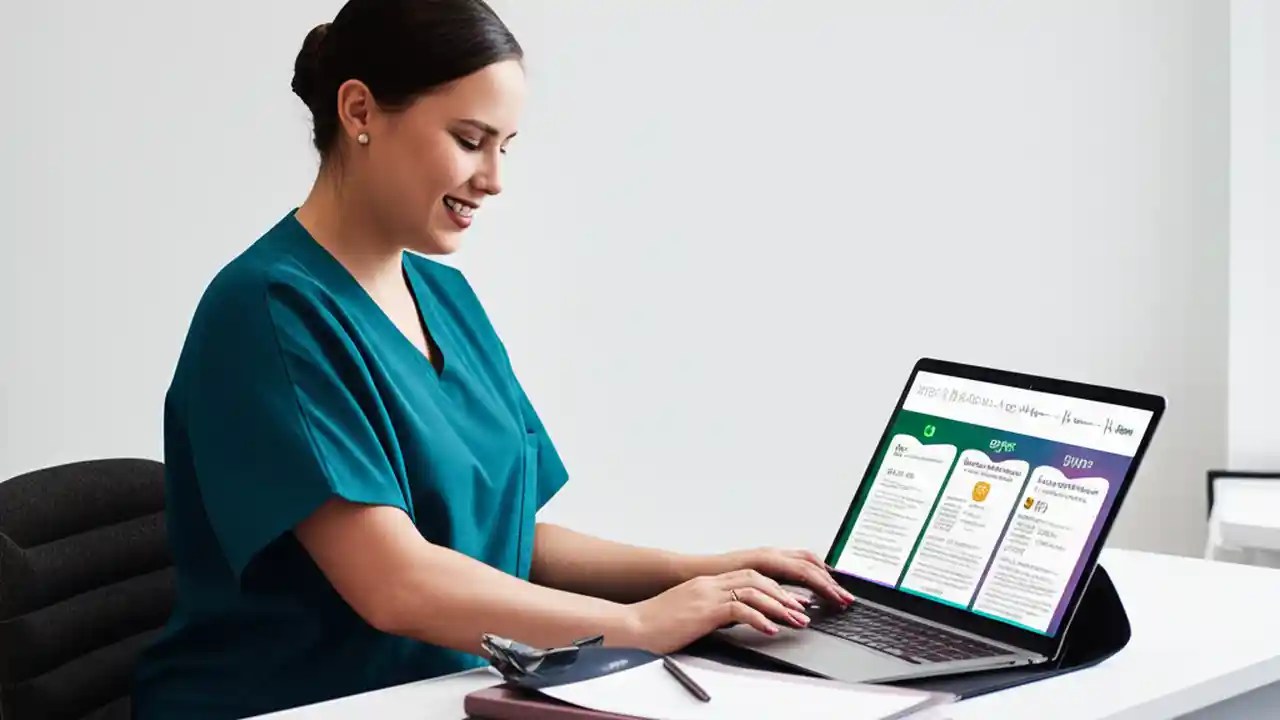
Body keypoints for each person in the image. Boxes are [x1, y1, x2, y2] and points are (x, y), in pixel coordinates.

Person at [130, 1, 854, 717]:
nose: (494, 177)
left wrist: (698, 574)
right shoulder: (267, 311)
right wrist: (637, 626)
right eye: (469, 139)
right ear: (359, 112)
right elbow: (397, 585)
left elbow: (505, 539)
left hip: (453, 695)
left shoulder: (444, 298)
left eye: (505, 145)